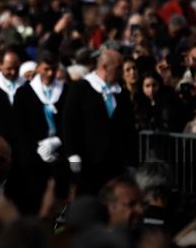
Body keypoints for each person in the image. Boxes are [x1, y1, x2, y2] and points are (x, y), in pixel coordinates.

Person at [59, 48, 138, 193]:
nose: (123, 72)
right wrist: (73, 154)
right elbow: (69, 123)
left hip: (115, 165)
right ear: (105, 67)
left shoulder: (122, 93)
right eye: (119, 68)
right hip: (88, 164)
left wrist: (132, 161)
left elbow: (129, 129)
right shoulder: (80, 89)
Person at [11, 52, 64, 212]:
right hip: (32, 157)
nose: (50, 73)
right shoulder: (24, 93)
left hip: (59, 153)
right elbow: (19, 127)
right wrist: (36, 149)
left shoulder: (66, 90)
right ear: (38, 68)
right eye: (46, 69)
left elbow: (71, 122)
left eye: (54, 69)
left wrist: (57, 141)